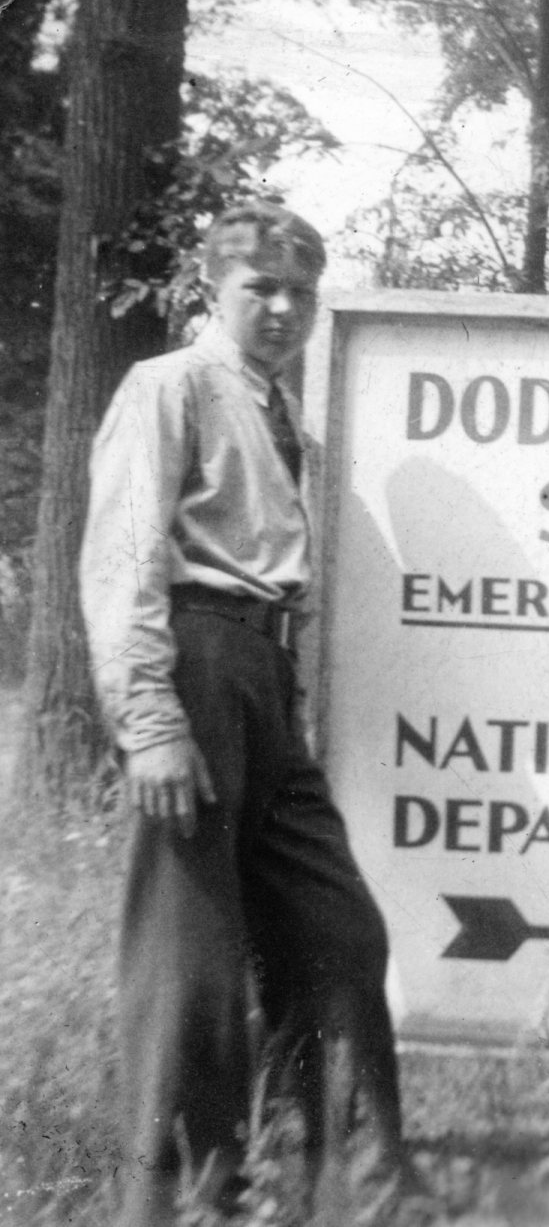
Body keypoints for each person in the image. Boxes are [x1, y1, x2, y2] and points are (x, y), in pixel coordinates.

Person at [81, 202, 419, 1227]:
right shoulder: (169, 387)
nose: (281, 309)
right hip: (193, 663)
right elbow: (123, 555)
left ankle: (334, 1181)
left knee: (340, 933)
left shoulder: (285, 422)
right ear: (211, 290)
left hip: (264, 685)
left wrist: (288, 707)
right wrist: (150, 717)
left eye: (300, 294)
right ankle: (178, 1196)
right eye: (258, 289)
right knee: (191, 956)